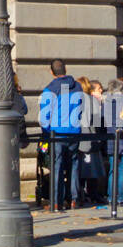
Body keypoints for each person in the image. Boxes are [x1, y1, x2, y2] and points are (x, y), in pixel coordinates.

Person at [38, 60, 82, 209]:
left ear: (51, 72)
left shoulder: (50, 89)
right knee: (74, 165)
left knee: (57, 166)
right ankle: (74, 199)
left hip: (57, 133)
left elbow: (44, 117)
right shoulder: (78, 86)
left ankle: (56, 201)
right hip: (75, 131)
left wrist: (46, 133)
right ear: (66, 69)